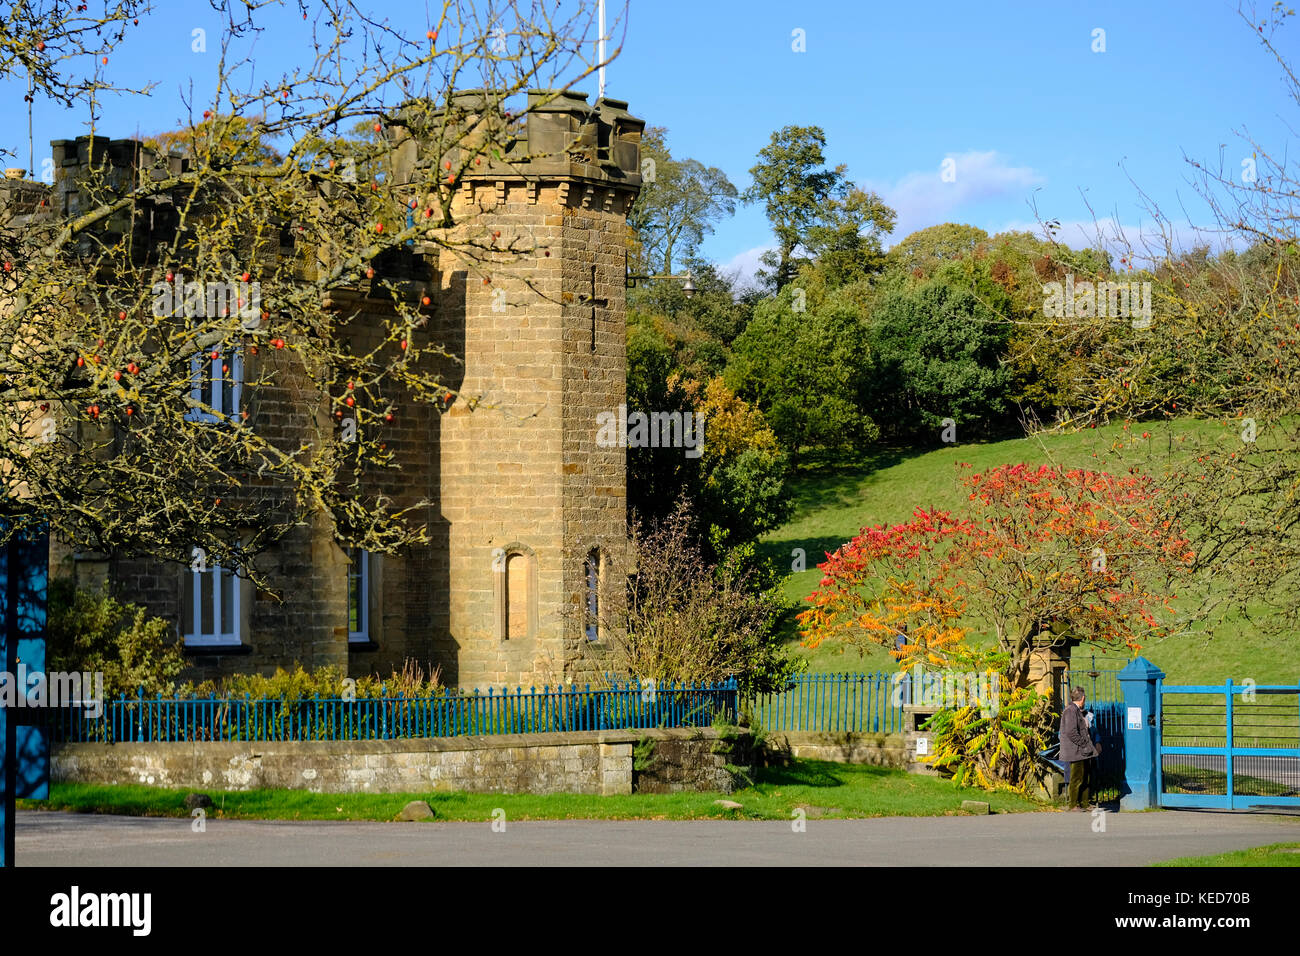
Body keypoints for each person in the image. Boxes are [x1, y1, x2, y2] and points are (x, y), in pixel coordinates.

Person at [1059, 686, 1099, 811]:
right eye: (1084, 699)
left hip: (1081, 751)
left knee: (1085, 776)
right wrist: (1084, 744)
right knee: (1076, 778)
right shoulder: (1071, 711)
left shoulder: (1074, 710)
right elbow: (1071, 732)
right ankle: (1073, 804)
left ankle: (1084, 803)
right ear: (1082, 698)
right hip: (1076, 751)